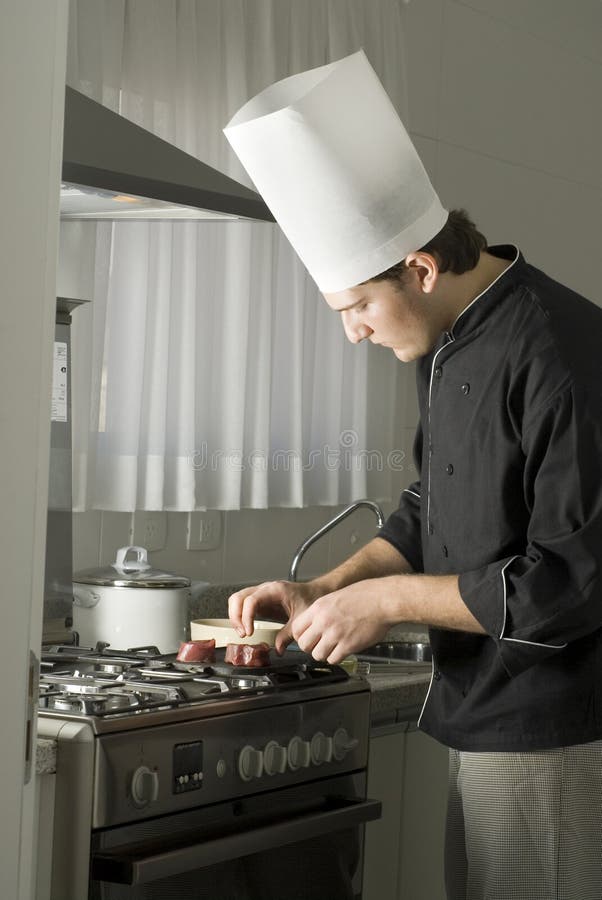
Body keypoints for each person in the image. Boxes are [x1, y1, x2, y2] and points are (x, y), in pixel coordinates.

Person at [223, 50, 602, 900]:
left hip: (556, 733)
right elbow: (430, 506)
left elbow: (567, 585)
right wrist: (331, 586)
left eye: (358, 306)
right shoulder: (443, 342)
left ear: (421, 268)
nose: (353, 332)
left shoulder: (561, 351)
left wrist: (385, 602)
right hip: (485, 719)